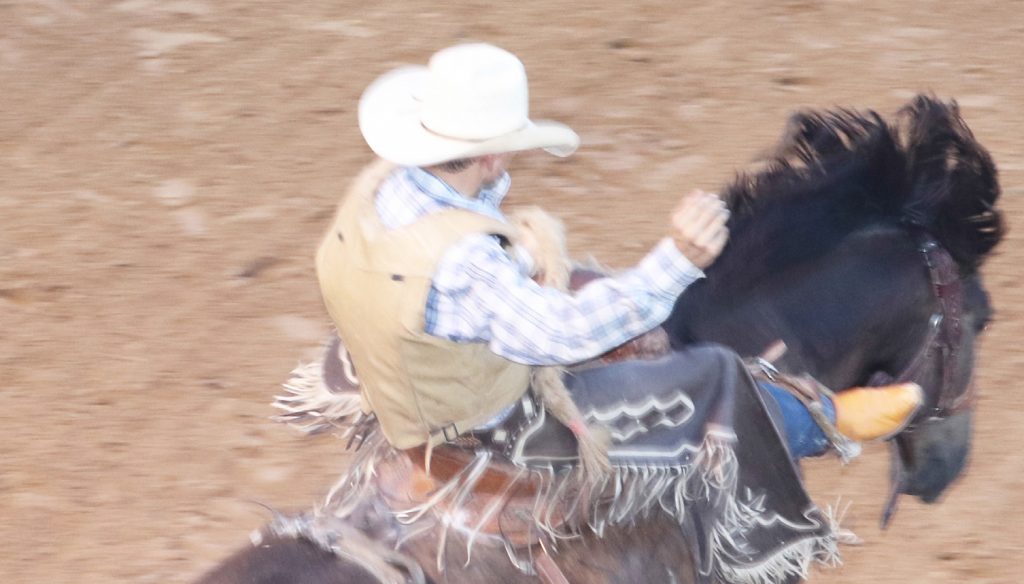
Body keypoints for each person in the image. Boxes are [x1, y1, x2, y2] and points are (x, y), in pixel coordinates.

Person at [315, 42, 922, 464]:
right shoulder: (465, 261)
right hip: (479, 424)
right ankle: (823, 423)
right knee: (711, 375)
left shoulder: (377, 186)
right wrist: (677, 260)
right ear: (495, 154)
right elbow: (562, 335)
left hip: (403, 382)